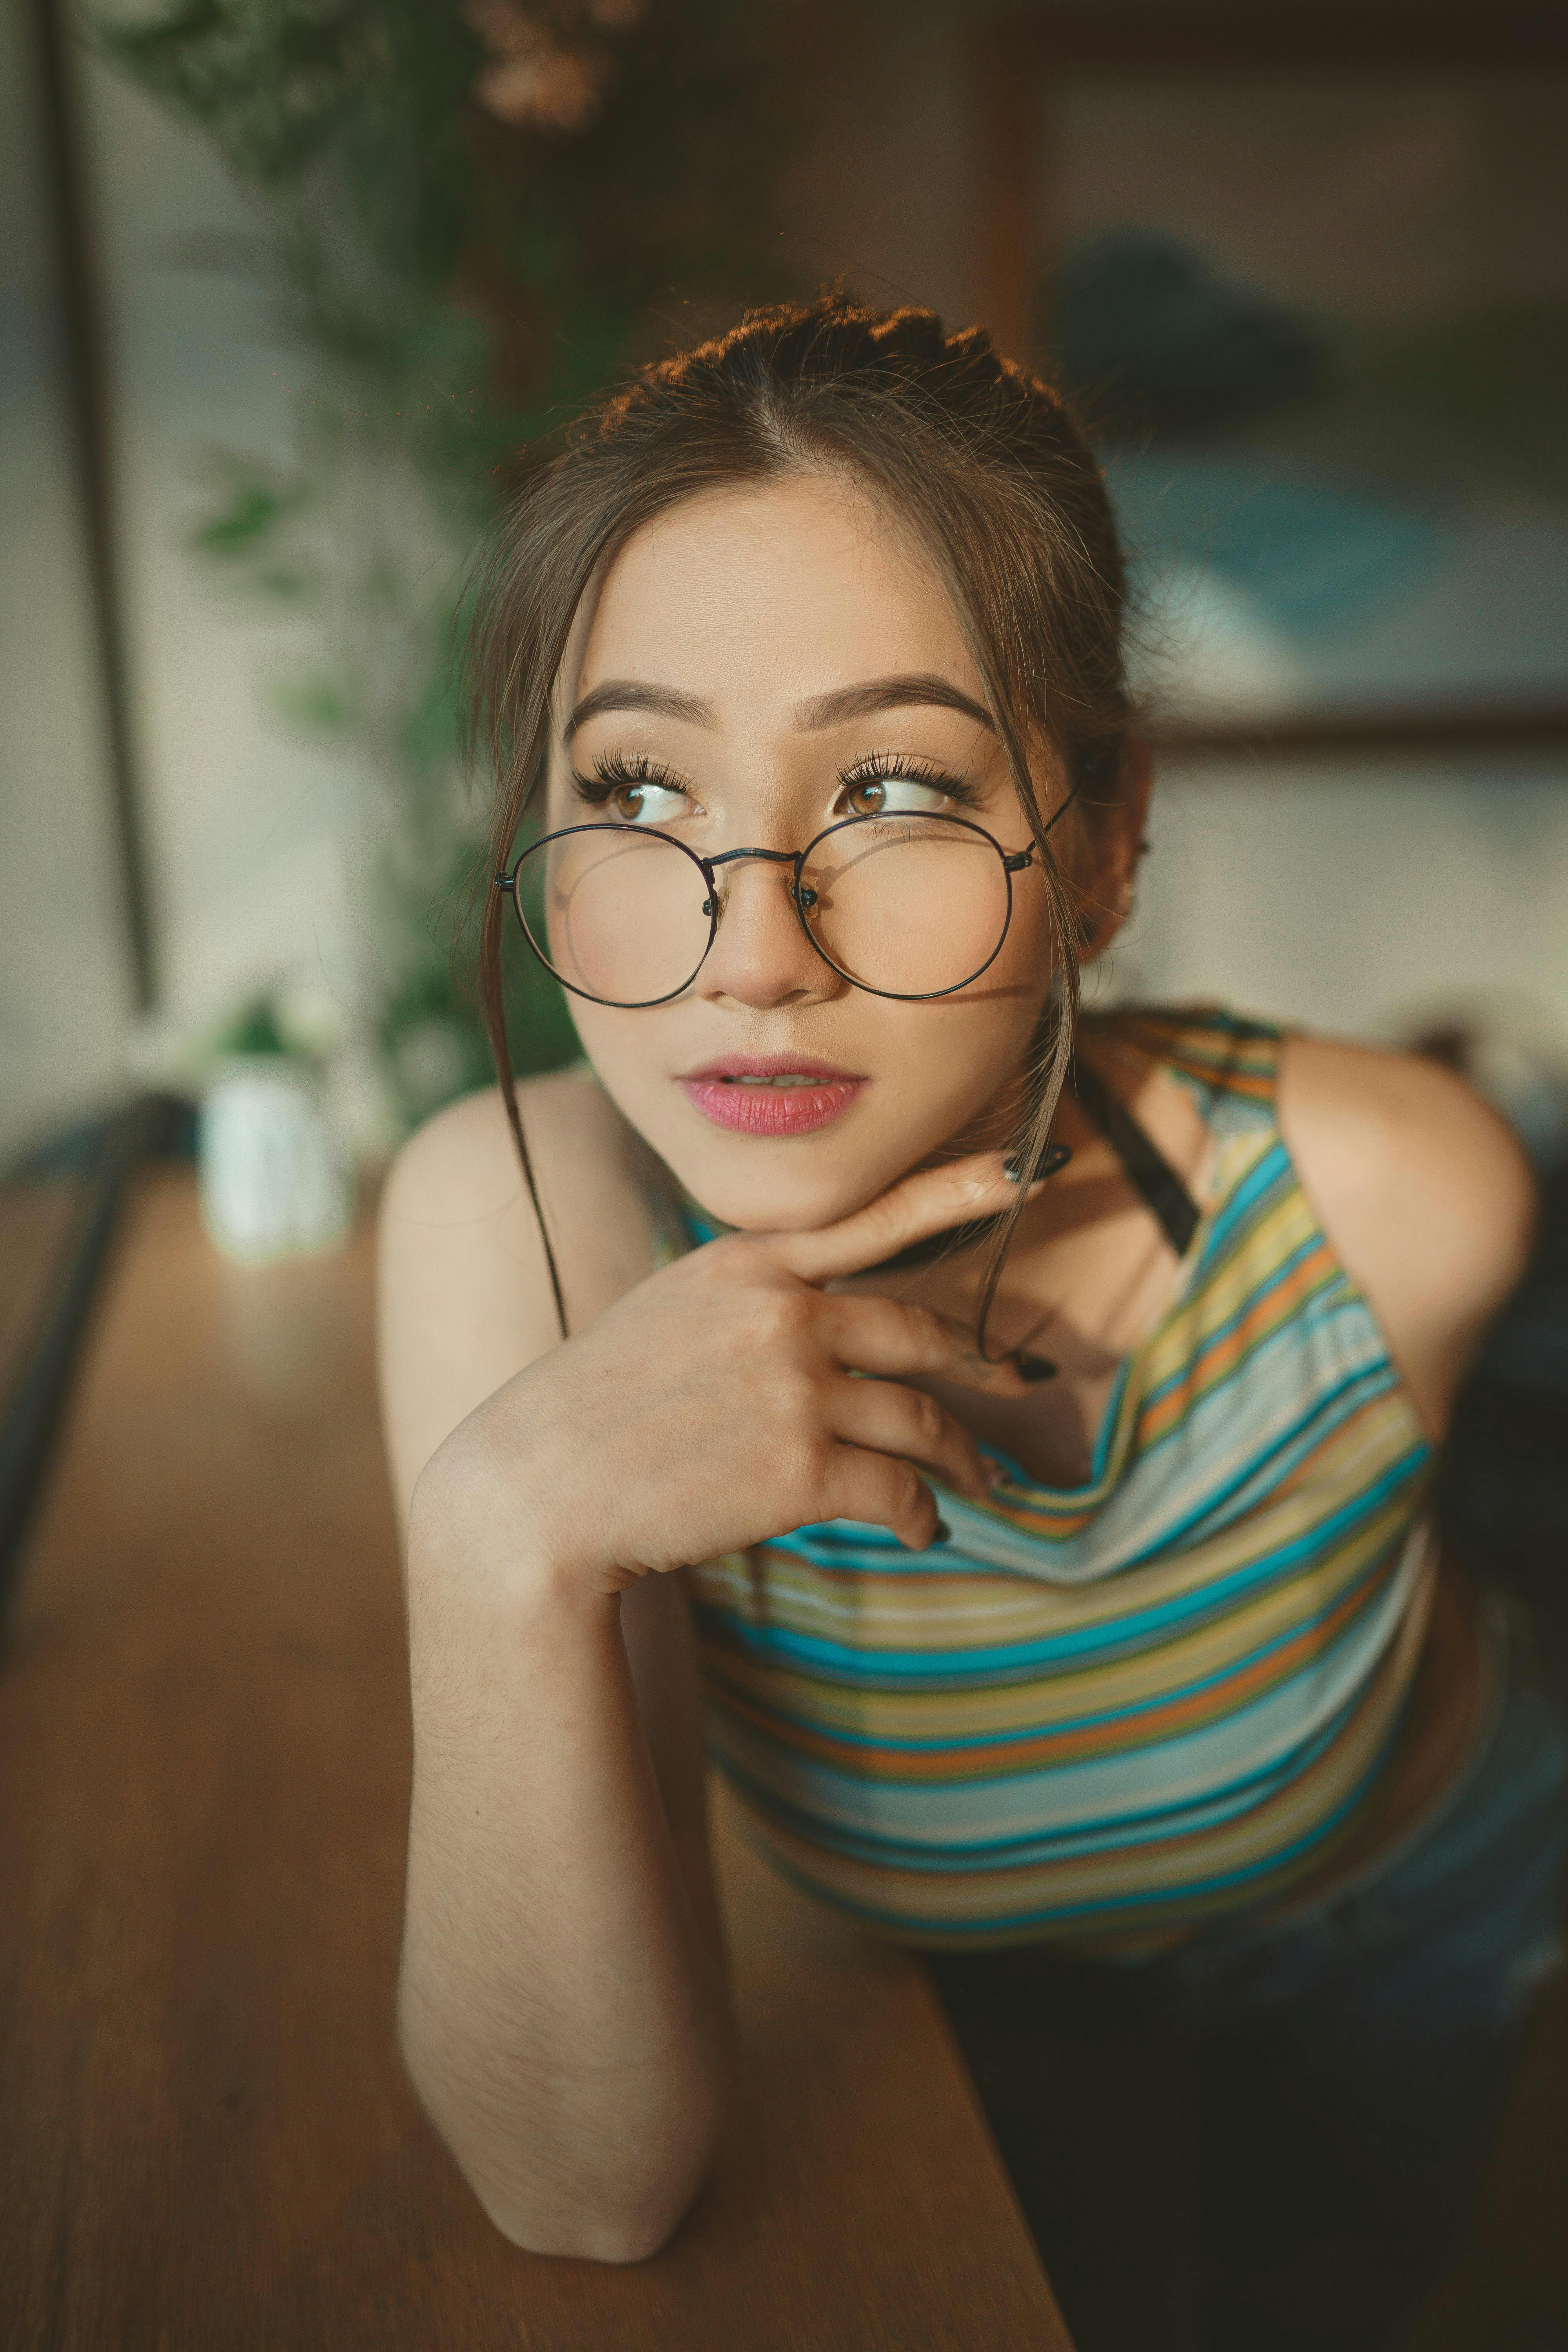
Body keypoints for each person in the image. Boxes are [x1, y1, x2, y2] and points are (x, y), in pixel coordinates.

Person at [376, 294, 1566, 2351]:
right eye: (643, 790)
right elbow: (582, 2193)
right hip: (964, 2007)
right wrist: (503, 1535)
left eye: (899, 791)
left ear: (1101, 844)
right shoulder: (527, 1221)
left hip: (1424, 1943)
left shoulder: (1395, 1201)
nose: (750, 954)